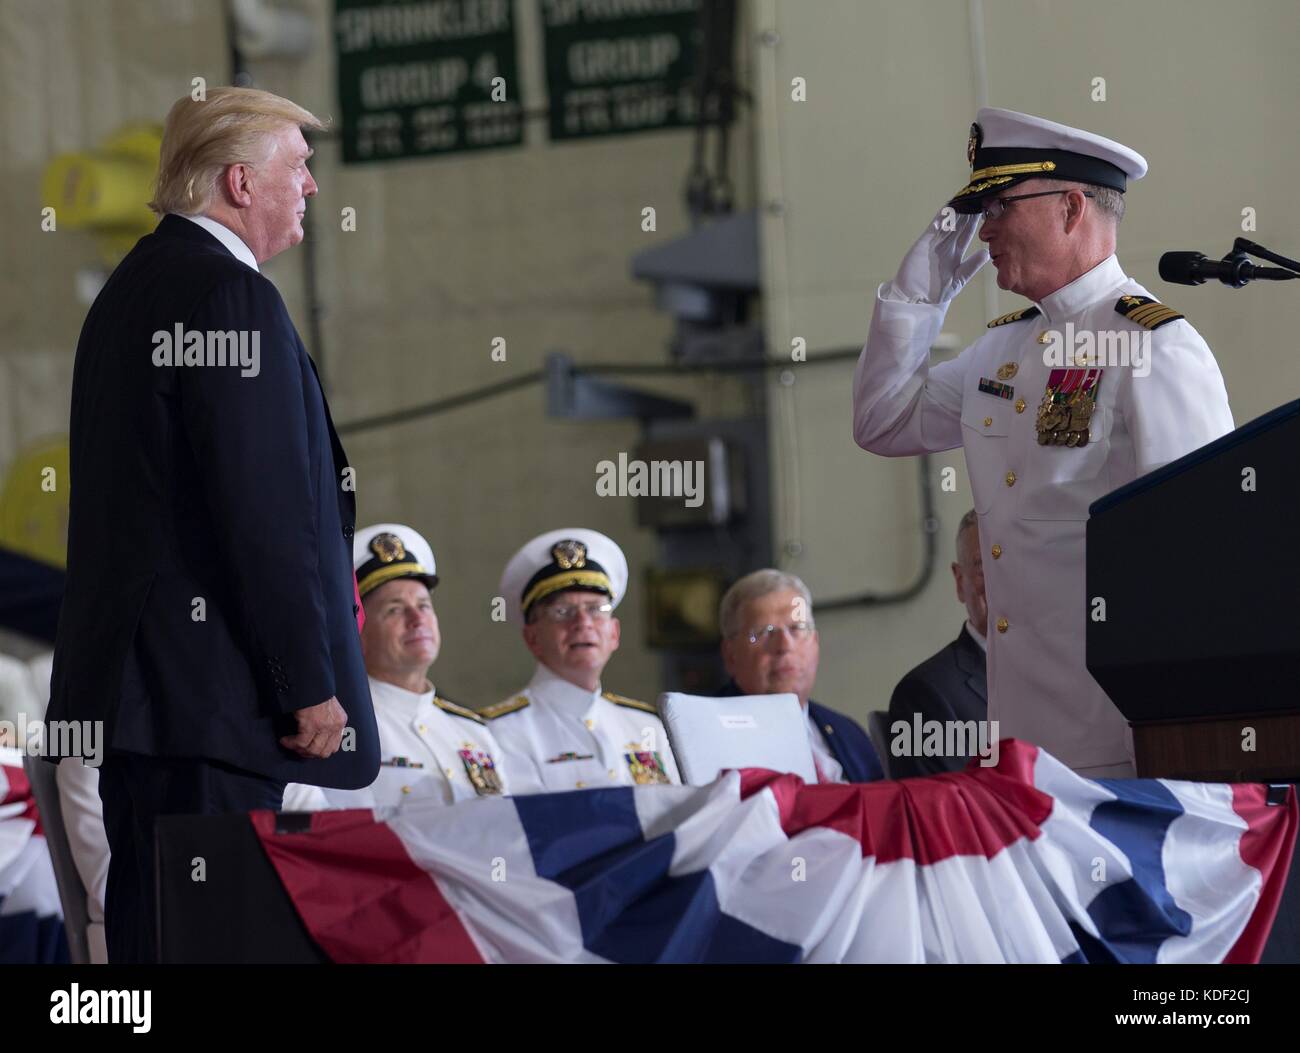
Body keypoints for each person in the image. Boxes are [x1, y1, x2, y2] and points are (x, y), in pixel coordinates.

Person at [45, 87, 380, 963]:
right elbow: (259, 514)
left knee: (158, 947)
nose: (310, 187)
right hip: (213, 708)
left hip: (142, 709)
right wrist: (303, 681)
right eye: (298, 168)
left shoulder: (129, 291)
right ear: (240, 181)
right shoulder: (230, 297)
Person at [852, 108, 1234, 778]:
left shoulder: (1154, 346)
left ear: (1070, 206)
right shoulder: (1000, 350)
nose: (985, 228)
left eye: (1000, 205)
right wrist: (916, 295)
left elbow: (1204, 559)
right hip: (1020, 746)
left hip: (1122, 744)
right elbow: (881, 420)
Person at [323, 524, 508, 808]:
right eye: (394, 609)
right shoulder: (338, 728)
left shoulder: (473, 731)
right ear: (357, 632)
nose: (417, 619)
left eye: (423, 606)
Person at [483, 528, 680, 792]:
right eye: (562, 611)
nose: (583, 623)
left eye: (596, 609)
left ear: (614, 633)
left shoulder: (645, 725)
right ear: (532, 638)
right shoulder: (501, 733)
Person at [717, 569, 884, 783]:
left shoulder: (848, 732)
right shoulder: (710, 734)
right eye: (763, 633)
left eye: (796, 628)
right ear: (730, 655)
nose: (785, 646)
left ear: (815, 642)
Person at [888, 510, 989, 778]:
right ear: (959, 581)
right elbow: (941, 813)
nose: (1002, 578)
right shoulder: (923, 696)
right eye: (983, 565)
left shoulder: (1069, 676)